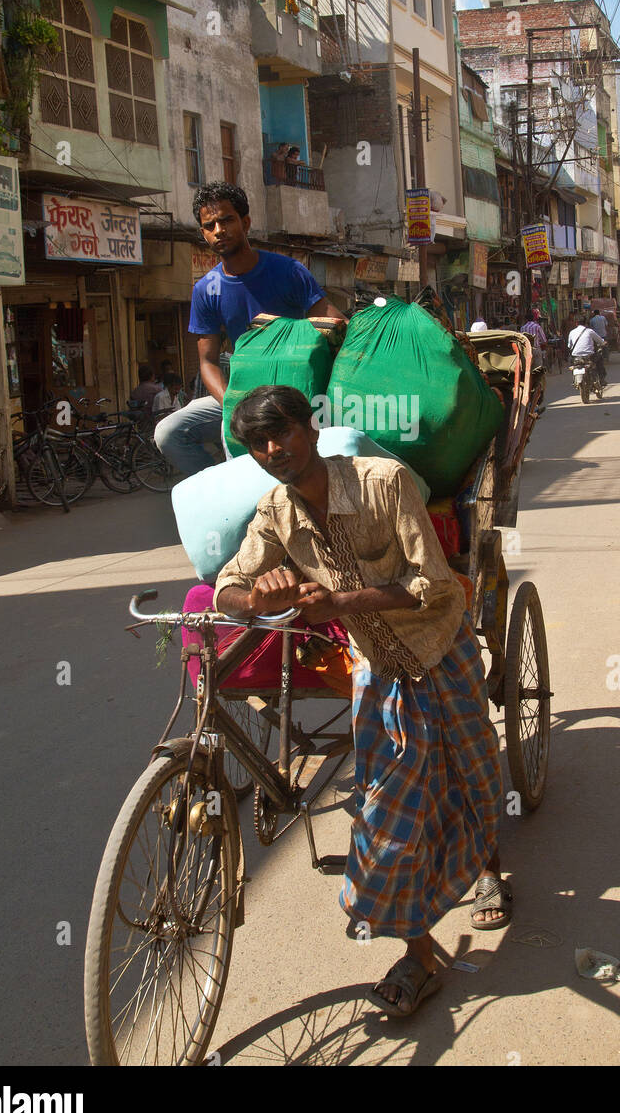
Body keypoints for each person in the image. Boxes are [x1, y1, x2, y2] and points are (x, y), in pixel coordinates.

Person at [213, 386, 508, 1016]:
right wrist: (257, 599)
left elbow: (432, 586)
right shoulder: (275, 513)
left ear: (310, 430)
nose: (272, 451)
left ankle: (486, 866)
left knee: (474, 777)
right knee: (382, 817)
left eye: (281, 434)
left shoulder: (384, 482)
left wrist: (340, 603)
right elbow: (227, 589)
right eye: (257, 444)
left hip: (438, 649)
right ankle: (421, 953)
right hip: (377, 671)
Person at [154, 182, 345, 477]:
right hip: (241, 394)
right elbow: (207, 362)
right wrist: (234, 402)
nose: (219, 230)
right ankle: (224, 489)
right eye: (209, 225)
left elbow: (333, 325)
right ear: (203, 233)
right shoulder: (206, 289)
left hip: (296, 394)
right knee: (169, 433)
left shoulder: (288, 272)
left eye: (227, 220)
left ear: (245, 222)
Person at [567, 315, 607, 386]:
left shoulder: (572, 332)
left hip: (576, 357)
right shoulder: (590, 331)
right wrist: (603, 342)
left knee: (572, 364)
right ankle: (601, 379)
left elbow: (569, 346)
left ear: (576, 323)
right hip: (589, 356)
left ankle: (574, 380)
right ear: (586, 323)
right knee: (599, 358)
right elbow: (600, 341)